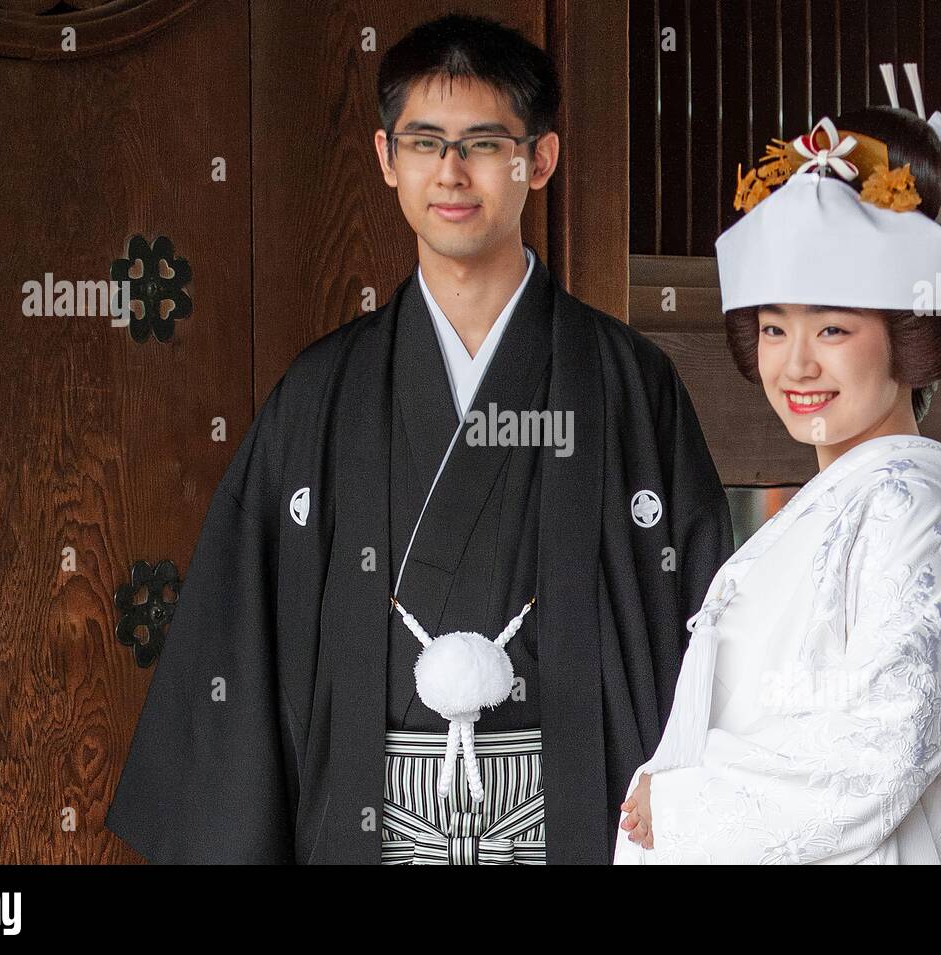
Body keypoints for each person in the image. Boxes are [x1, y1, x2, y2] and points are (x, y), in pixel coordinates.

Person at [105, 13, 734, 865]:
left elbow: (701, 624)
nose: (452, 170)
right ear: (385, 157)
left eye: (483, 143)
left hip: (572, 821)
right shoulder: (324, 392)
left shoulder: (628, 382)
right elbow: (242, 625)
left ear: (538, 159)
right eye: (425, 141)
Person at [614, 64, 941, 864]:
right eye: (773, 329)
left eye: (832, 329)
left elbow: (883, 751)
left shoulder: (908, 506)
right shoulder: (850, 501)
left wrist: (681, 804)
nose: (796, 365)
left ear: (907, 336)